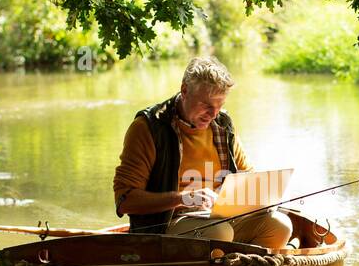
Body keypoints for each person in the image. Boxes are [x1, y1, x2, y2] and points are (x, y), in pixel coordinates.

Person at [112, 56, 293, 249]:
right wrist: (183, 198)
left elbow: (246, 176)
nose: (213, 113)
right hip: (166, 224)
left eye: (220, 105)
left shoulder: (223, 125)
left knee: (280, 226)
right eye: (206, 105)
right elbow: (125, 200)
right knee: (219, 232)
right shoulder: (148, 127)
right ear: (184, 90)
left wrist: (265, 198)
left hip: (218, 219)